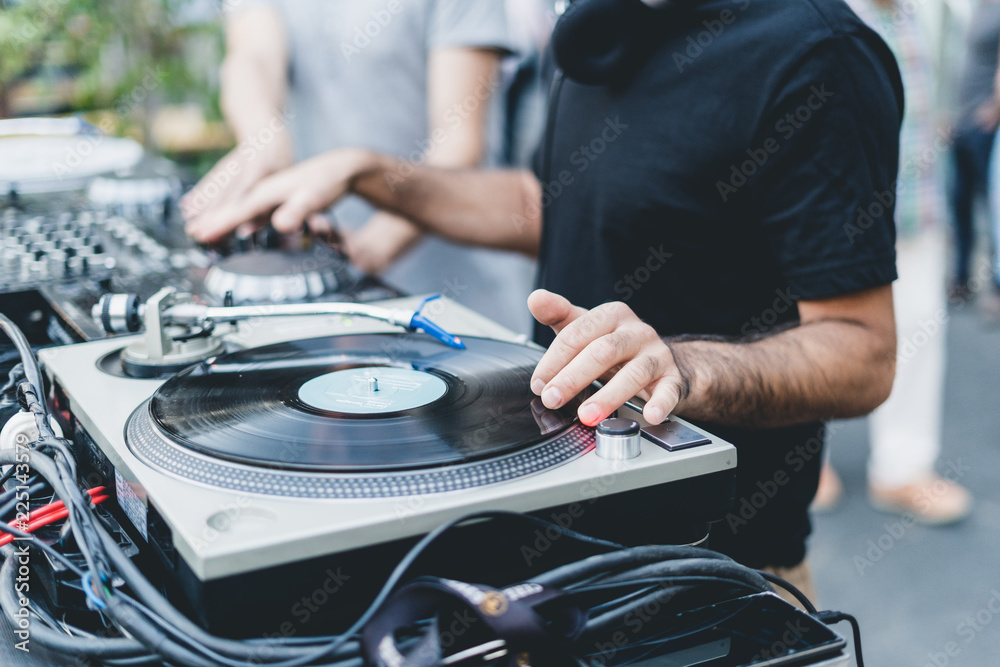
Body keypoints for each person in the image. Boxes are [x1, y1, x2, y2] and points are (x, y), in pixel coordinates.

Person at [186, 0, 903, 602]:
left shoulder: (818, 54)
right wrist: (370, 174)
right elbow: (546, 202)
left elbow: (863, 352)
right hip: (551, 559)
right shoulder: (601, 24)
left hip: (714, 578)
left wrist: (679, 368)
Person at [181, 0, 536, 333]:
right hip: (336, 292)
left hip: (457, 295)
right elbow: (252, 54)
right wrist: (264, 142)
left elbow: (457, 144)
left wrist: (372, 248)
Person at [815, 0, 972, 524]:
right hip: (837, 212)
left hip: (916, 207)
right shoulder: (824, 13)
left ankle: (903, 469)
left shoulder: (918, 14)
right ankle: (809, 461)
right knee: (818, 334)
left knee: (920, 333)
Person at [948, 0, 1000, 308]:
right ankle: (961, 280)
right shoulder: (971, 8)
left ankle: (995, 285)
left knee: (991, 207)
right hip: (963, 122)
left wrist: (995, 107)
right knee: (960, 205)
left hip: (985, 124)